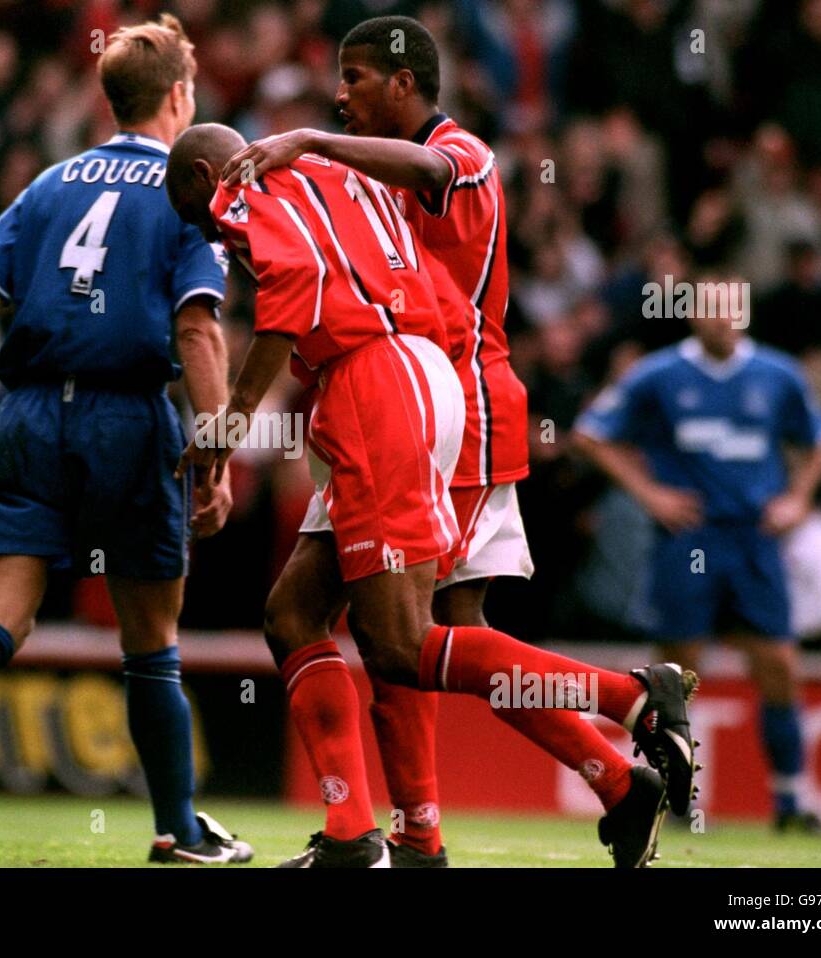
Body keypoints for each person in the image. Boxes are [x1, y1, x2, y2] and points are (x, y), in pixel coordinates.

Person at [219, 15, 694, 866]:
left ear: (405, 82)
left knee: (407, 636)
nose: (340, 95)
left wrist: (306, 140)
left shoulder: (459, 151)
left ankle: (621, 711)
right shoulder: (365, 176)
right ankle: (610, 779)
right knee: (333, 618)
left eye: (356, 79)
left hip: (459, 414)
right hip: (402, 410)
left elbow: (433, 168)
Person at [0, 14, 252, 864]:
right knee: (151, 641)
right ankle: (179, 830)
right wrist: (215, 452)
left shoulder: (50, 183)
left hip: (29, 416)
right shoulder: (191, 194)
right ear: (181, 97)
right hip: (126, 417)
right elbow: (197, 332)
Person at [575, 274, 821, 832]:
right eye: (711, 309)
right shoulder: (660, 375)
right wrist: (650, 494)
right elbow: (591, 433)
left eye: (731, 309)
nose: (722, 319)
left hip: (754, 538)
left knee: (779, 663)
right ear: (691, 315)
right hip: (689, 537)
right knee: (680, 672)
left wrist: (797, 500)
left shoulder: (778, 375)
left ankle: (791, 803)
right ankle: (679, 799)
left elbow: (818, 438)